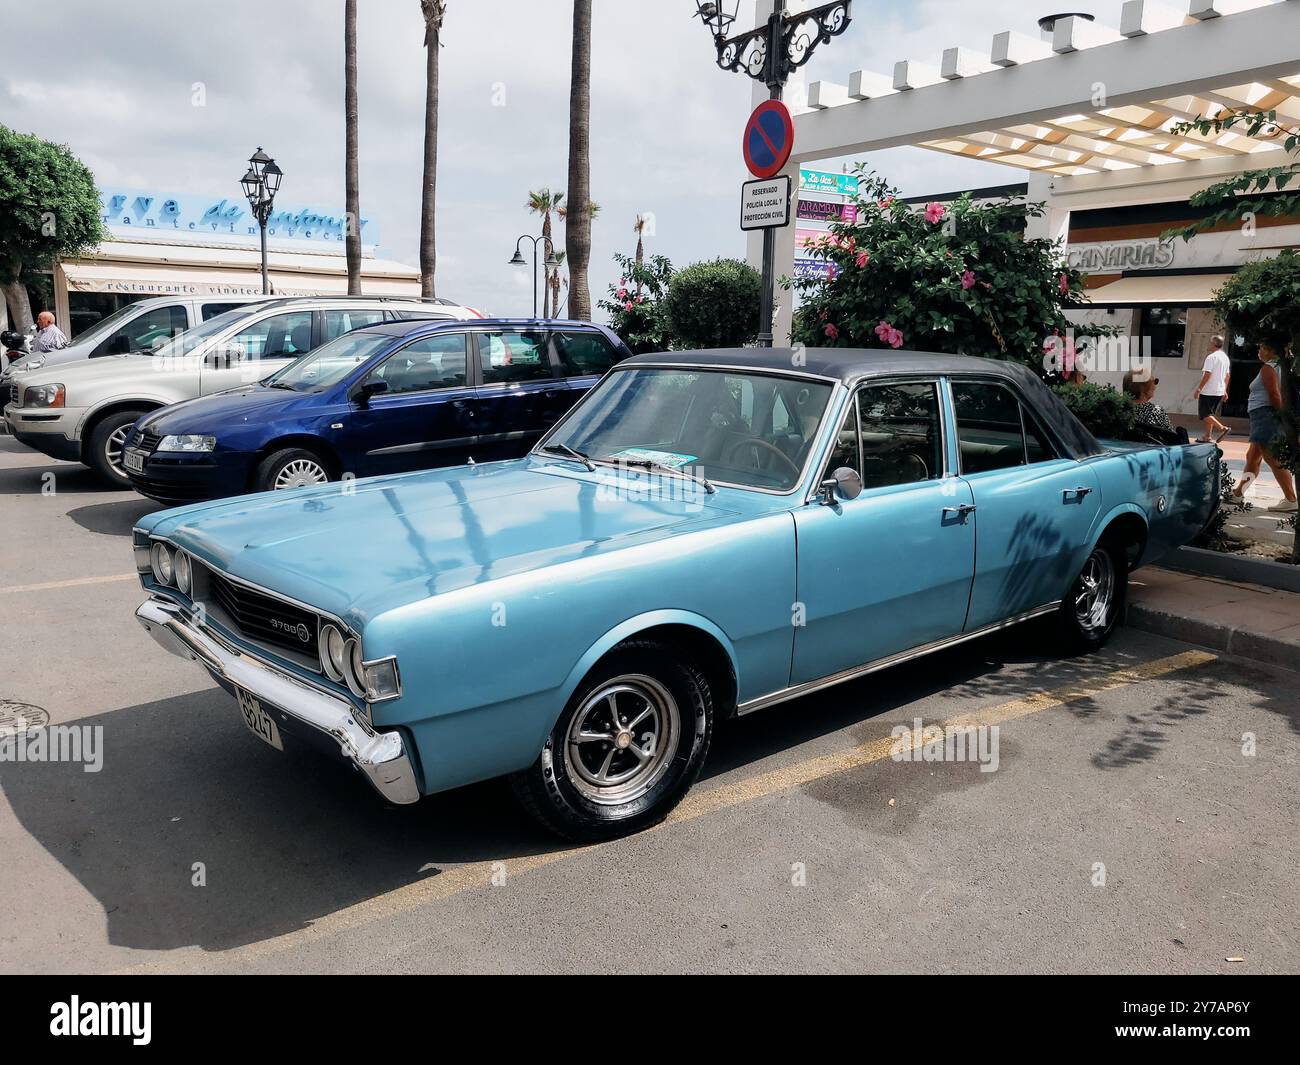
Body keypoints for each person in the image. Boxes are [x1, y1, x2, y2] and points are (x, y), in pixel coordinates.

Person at [1230, 340, 1297, 513]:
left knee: (1271, 458)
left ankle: (1290, 499)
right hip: (1264, 416)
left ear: (1270, 350)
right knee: (1253, 457)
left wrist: (1283, 417)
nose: (1258, 350)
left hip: (1265, 416)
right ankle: (1238, 493)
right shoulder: (1281, 366)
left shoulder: (1269, 367)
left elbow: (1274, 394)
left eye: (1261, 347)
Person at [1193, 335, 1231, 443]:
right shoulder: (1225, 358)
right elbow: (1228, 375)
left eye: (1210, 342)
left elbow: (1207, 374)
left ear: (1214, 344)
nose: (1209, 344)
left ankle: (1222, 428)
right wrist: (1224, 390)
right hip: (1219, 390)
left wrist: (1199, 389)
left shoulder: (1211, 357)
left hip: (1209, 390)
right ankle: (1207, 436)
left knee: (1204, 414)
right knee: (1210, 414)